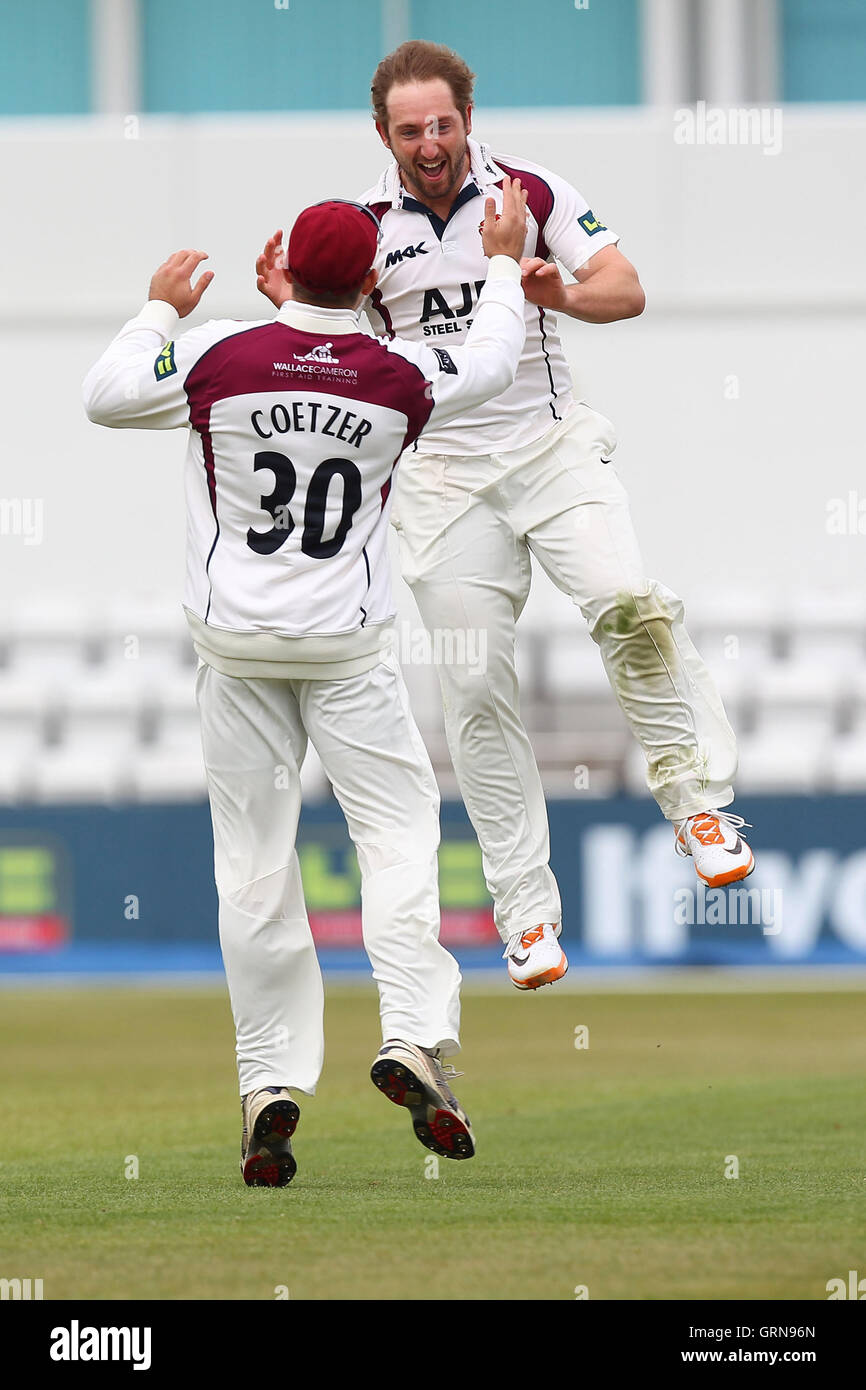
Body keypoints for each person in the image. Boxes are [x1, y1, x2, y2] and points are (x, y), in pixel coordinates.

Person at [253, 39, 756, 994]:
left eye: (443, 123)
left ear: (467, 118)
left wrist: (553, 288)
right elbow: (326, 334)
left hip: (552, 448)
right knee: (474, 688)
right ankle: (526, 914)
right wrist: (293, 305)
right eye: (410, 130)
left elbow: (628, 287)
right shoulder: (362, 225)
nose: (429, 143)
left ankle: (698, 804)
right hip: (440, 479)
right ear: (382, 133)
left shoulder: (529, 193)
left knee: (627, 603)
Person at [83, 179, 529, 1184]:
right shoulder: (399, 371)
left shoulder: (218, 353)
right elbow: (495, 362)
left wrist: (160, 304)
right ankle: (412, 1035)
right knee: (398, 843)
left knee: (251, 866)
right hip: (346, 651)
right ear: (371, 277)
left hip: (236, 648)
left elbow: (105, 394)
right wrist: (499, 262)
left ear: (283, 265)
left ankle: (270, 1078)